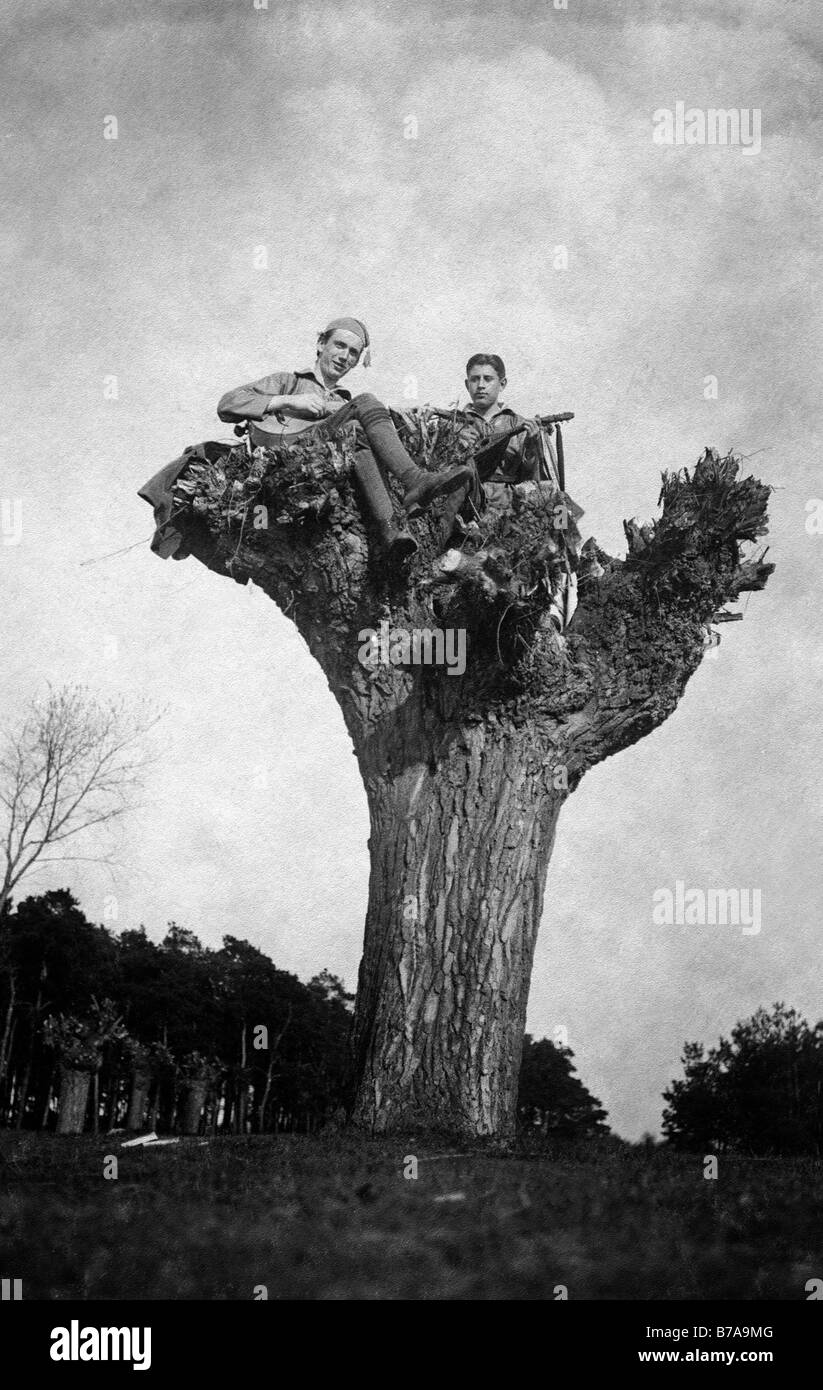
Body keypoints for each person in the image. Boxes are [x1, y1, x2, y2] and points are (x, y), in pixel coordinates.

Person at [215, 318, 472, 562]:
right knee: (367, 401)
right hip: (283, 452)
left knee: (354, 428)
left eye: (353, 353)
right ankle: (414, 480)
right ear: (321, 344)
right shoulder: (288, 381)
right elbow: (227, 404)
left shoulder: (343, 402)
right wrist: (289, 400)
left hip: (321, 459)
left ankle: (390, 529)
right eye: (339, 345)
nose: (344, 356)